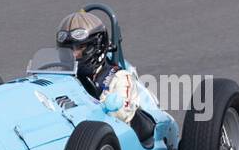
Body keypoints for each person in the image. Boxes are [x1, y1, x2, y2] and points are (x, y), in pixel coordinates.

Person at [55, 10, 162, 142]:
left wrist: (106, 105)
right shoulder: (61, 78)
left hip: (116, 140)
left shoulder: (120, 77)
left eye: (80, 47)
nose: (74, 54)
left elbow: (122, 115)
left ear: (96, 46)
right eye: (68, 49)